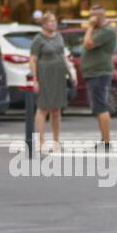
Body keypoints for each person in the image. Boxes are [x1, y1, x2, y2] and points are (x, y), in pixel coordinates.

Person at [29, 11, 72, 153]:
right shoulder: (38, 39)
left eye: (55, 21)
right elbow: (33, 60)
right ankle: (41, 143)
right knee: (43, 108)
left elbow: (63, 55)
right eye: (50, 21)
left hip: (59, 76)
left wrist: (71, 73)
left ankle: (56, 141)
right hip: (45, 76)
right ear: (44, 24)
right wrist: (35, 79)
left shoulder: (59, 36)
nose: (53, 24)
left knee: (56, 109)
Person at [81, 6, 117, 148]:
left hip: (100, 73)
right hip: (93, 73)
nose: (90, 19)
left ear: (99, 17)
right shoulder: (99, 30)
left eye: (92, 17)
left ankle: (106, 141)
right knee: (97, 107)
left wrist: (90, 27)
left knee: (101, 106)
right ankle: (103, 139)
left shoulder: (106, 31)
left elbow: (88, 44)